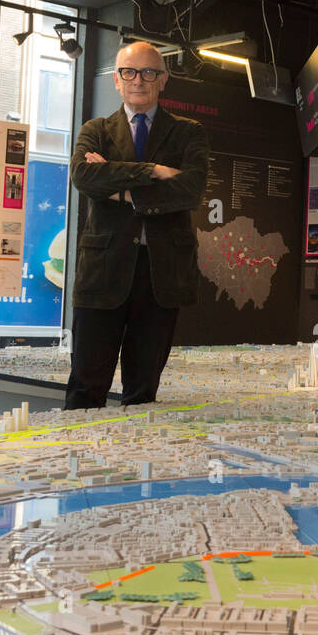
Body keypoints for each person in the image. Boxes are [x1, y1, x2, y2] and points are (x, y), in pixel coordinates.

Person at [65, 41, 209, 409]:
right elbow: (83, 176)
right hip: (103, 269)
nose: (138, 81)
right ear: (116, 79)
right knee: (86, 385)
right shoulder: (96, 130)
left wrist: (117, 188)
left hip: (162, 273)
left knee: (142, 393)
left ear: (163, 80)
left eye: (149, 73)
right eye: (129, 72)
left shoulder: (188, 132)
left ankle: (133, 462)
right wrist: (154, 172)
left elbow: (189, 191)